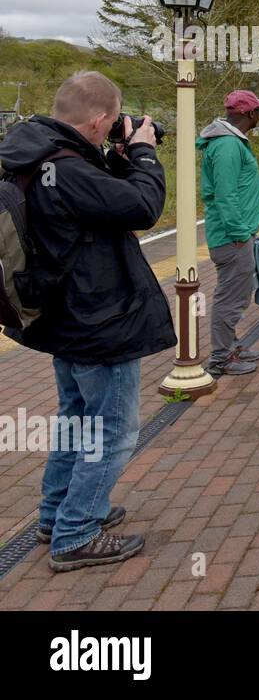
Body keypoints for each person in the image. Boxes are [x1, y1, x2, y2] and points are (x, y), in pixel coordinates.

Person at [0, 71, 173, 570]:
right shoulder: (68, 169)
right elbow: (142, 206)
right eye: (114, 123)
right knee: (114, 428)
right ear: (99, 121)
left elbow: (94, 208)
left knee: (76, 421)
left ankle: (58, 514)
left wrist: (116, 156)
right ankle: (76, 533)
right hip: (99, 320)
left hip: (62, 319)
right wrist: (142, 153)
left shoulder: (32, 159)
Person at [197, 89, 259, 378]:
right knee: (230, 299)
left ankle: (231, 346)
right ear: (248, 113)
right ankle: (221, 357)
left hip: (236, 234)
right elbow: (225, 194)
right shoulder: (228, 146)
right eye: (258, 111)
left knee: (236, 295)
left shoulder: (230, 142)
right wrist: (240, 232)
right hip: (232, 237)